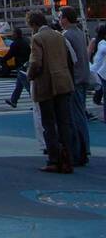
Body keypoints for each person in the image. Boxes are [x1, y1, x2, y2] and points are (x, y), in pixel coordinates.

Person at [27, 9, 74, 174]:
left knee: (48, 123)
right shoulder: (60, 36)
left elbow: (36, 63)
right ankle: (68, 158)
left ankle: (54, 160)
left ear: (33, 24)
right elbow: (69, 59)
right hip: (63, 82)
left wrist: (29, 76)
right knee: (64, 122)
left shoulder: (37, 38)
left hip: (46, 84)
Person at [60, 7, 91, 167]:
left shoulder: (67, 35)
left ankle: (80, 150)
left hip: (75, 79)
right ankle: (84, 148)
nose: (59, 20)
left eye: (60, 17)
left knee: (75, 116)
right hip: (84, 76)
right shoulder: (79, 32)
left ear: (66, 19)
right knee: (81, 115)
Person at [4, 26, 31, 108]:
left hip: (20, 65)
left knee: (27, 86)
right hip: (26, 64)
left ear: (16, 34)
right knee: (19, 85)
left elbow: (10, 54)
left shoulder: (15, 44)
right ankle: (13, 100)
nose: (12, 35)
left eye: (13, 33)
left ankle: (36, 102)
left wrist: (2, 60)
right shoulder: (25, 41)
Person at [90, 23, 106, 122]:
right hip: (98, 69)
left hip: (98, 67)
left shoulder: (97, 41)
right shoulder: (100, 42)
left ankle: (97, 98)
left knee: (100, 88)